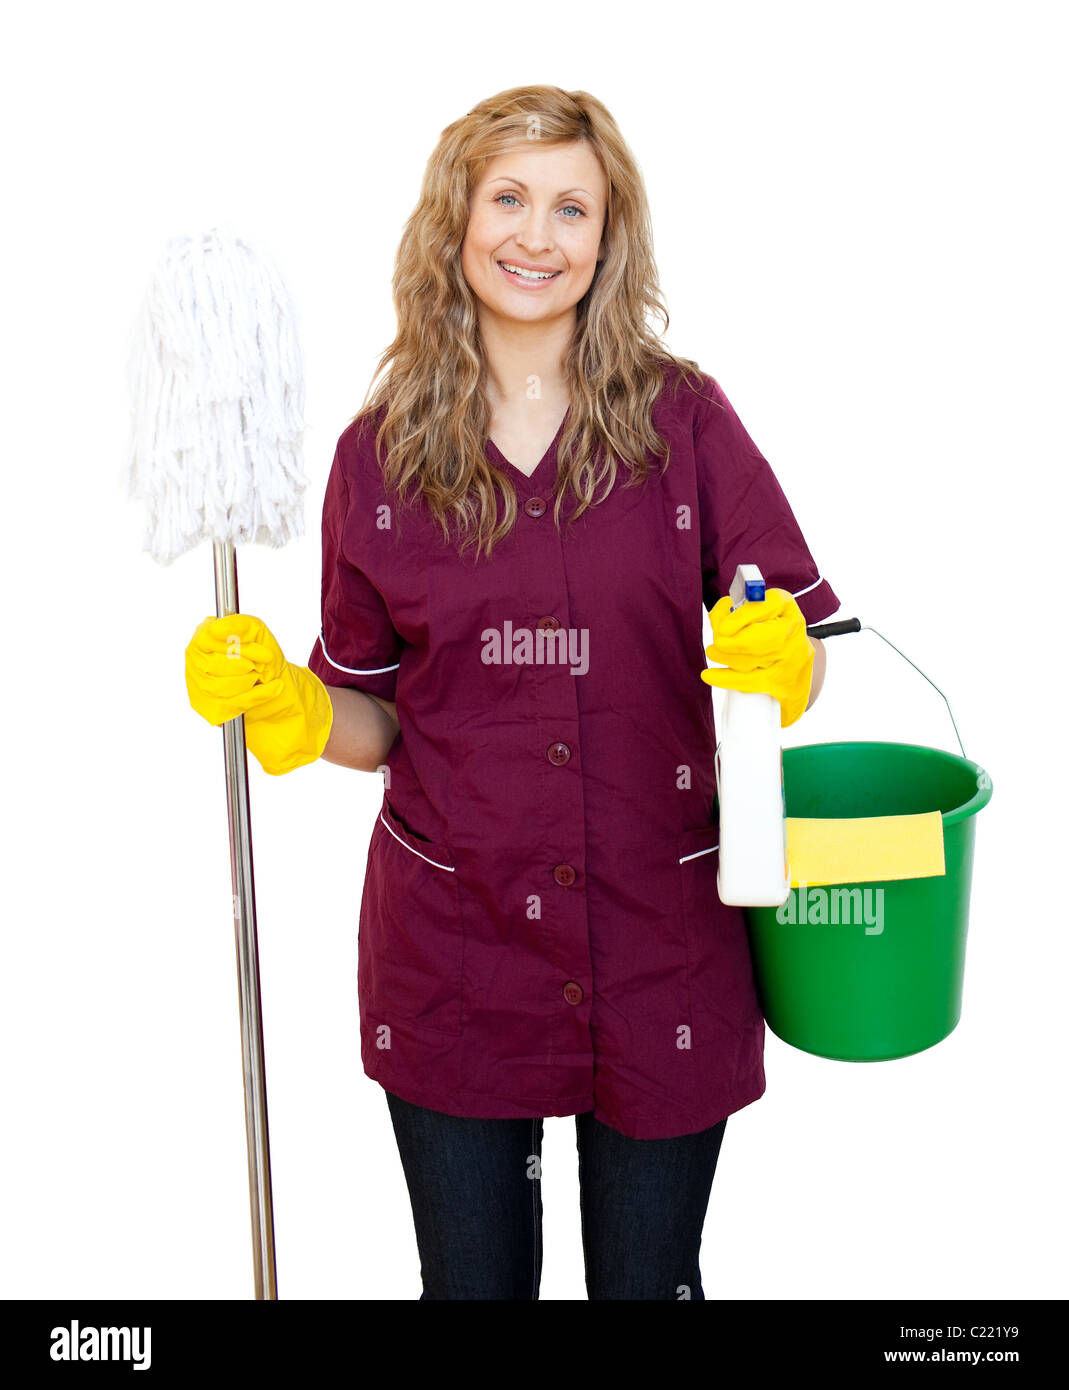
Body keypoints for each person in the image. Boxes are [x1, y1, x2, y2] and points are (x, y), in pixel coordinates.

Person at [184, 85, 840, 1300]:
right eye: (508, 199)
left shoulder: (684, 421)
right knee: (471, 1288)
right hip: (457, 952)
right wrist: (291, 706)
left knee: (651, 1285)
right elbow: (371, 711)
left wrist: (782, 661)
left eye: (571, 208)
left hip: (657, 942)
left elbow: (793, 632)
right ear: (457, 219)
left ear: (607, 236)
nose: (537, 236)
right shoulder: (379, 456)